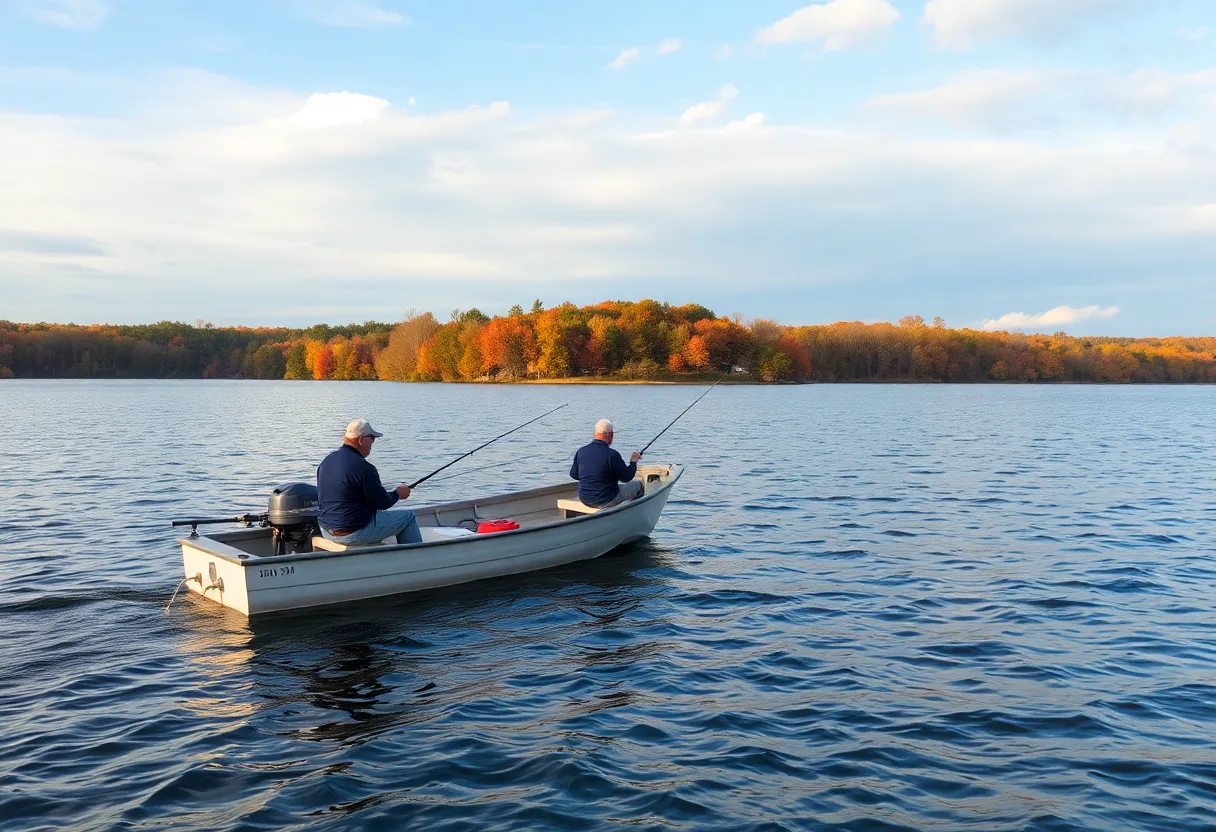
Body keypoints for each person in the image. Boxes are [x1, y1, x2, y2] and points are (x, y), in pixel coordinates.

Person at [316, 418, 423, 545]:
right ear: (361, 439)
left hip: (326, 530)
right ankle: (415, 560)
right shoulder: (364, 467)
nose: (373, 442)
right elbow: (383, 502)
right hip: (352, 533)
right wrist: (398, 494)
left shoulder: (327, 462)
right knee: (408, 517)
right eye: (372, 438)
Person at [569, 418, 644, 508]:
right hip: (607, 499)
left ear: (595, 434)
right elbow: (627, 477)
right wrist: (633, 462)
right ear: (609, 434)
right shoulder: (612, 455)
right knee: (638, 485)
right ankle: (628, 513)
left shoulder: (581, 452)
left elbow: (574, 475)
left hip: (585, 499)